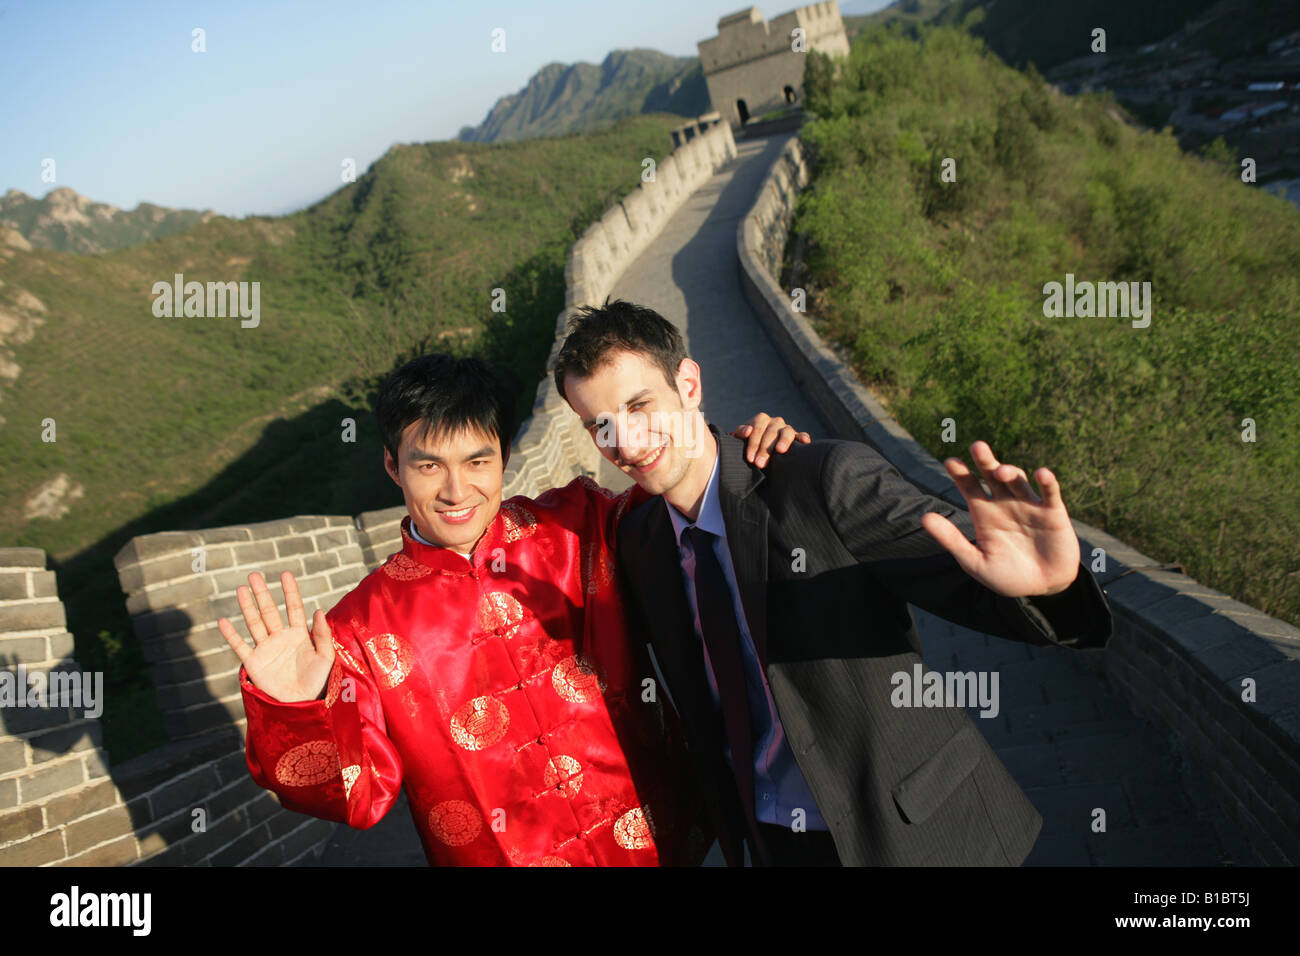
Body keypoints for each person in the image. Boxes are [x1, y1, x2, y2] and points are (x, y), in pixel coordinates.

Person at [554, 298, 1115, 867]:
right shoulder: (640, 543)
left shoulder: (819, 480)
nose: (625, 443)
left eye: (640, 405)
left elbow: (970, 579)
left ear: (689, 385)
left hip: (915, 835)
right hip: (778, 841)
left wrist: (1051, 587)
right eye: (599, 424)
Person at [218, 352, 806, 866]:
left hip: (665, 846)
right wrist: (298, 712)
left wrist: (738, 453)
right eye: (428, 466)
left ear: (504, 457)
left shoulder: (579, 524)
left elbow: (684, 502)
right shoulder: (357, 629)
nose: (456, 491)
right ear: (393, 467)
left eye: (478, 462)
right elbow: (358, 795)